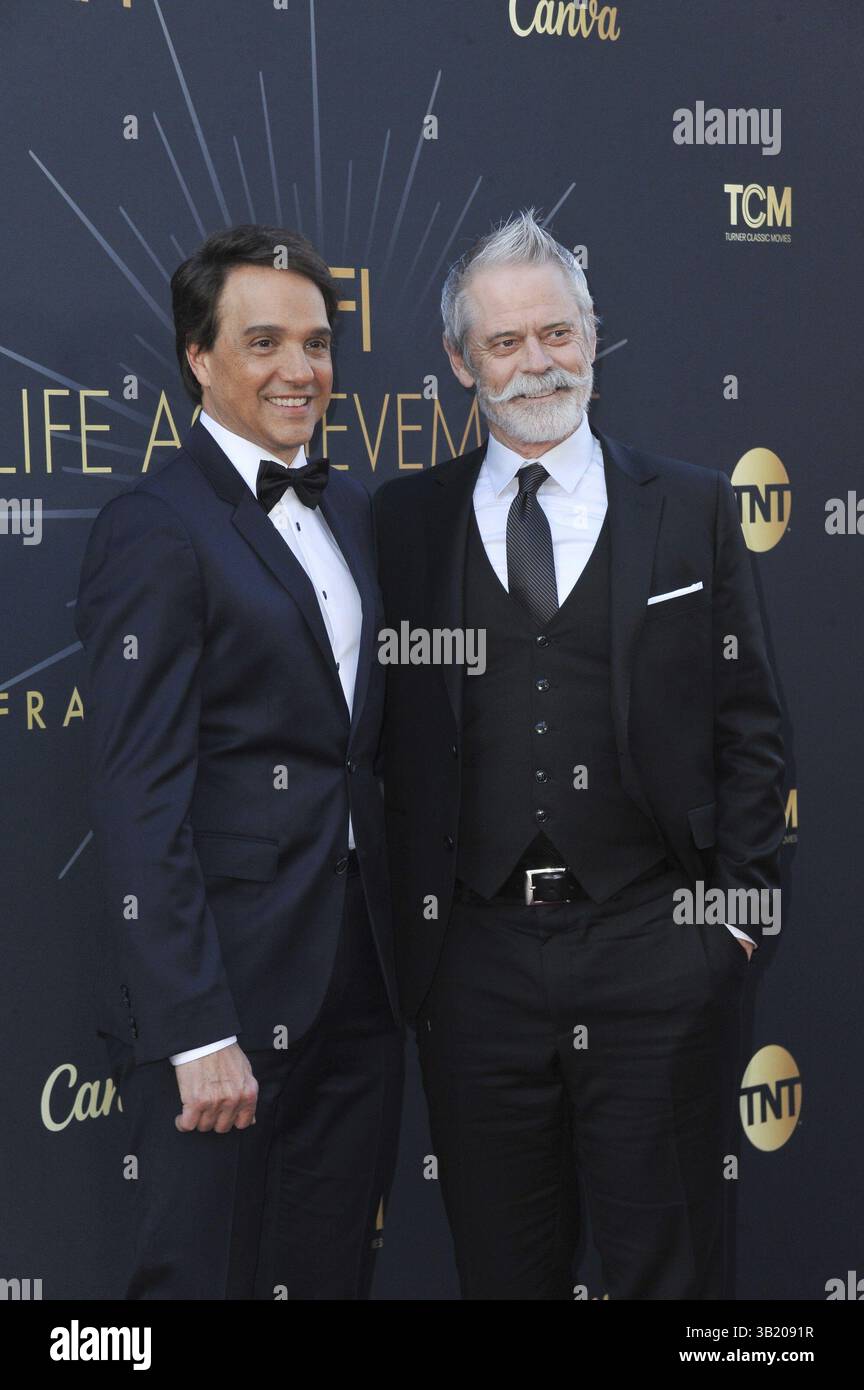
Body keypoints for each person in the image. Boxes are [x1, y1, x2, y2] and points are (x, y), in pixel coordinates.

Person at [372, 210, 786, 1300]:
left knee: (672, 1270)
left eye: (555, 332)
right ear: (462, 363)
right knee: (505, 1271)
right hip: (477, 965)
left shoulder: (692, 509)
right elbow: (377, 749)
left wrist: (735, 923)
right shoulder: (405, 525)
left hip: (655, 942)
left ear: (593, 339)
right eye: (504, 343)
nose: (534, 362)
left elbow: (754, 727)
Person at [75, 224, 403, 1300]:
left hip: (357, 982)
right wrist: (194, 1027)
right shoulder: (156, 527)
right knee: (200, 1285)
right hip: (225, 994)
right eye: (263, 342)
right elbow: (139, 796)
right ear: (199, 358)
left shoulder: (350, 508)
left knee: (325, 1277)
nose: (299, 370)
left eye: (315, 344)